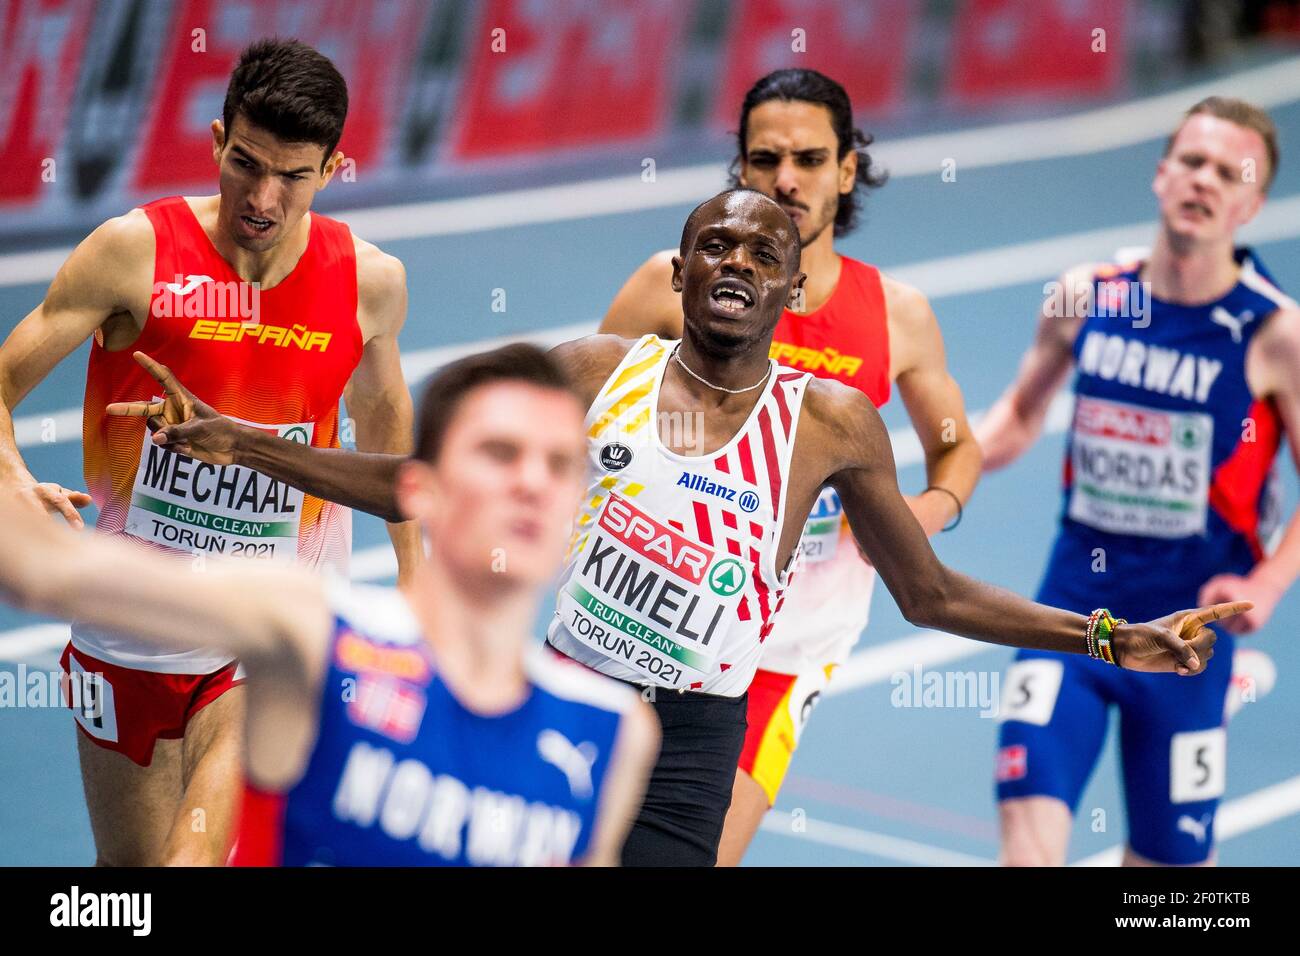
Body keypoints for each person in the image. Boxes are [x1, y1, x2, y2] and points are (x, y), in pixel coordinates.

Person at [115, 188, 1246, 867]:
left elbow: (930, 594)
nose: (735, 267)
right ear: (681, 264)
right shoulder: (593, 369)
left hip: (692, 741)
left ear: (793, 288)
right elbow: (423, 476)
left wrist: (1109, 635)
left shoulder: (830, 423)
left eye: (763, 255)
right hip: (564, 694)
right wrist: (247, 441)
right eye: (714, 245)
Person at [0, 37, 420, 866]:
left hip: (268, 626)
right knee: (129, 878)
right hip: (128, 626)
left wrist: (413, 574)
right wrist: (12, 479)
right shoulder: (133, 251)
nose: (262, 197)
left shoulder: (369, 281)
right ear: (216, 140)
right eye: (245, 163)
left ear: (333, 170)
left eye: (292, 175)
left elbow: (384, 417)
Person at [0, 345, 658, 867]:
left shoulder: (612, 729)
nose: (531, 482)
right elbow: (41, 570)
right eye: (499, 453)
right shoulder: (315, 631)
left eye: (560, 464)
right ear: (420, 490)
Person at [599, 68, 981, 864]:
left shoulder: (896, 316)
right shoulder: (670, 287)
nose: (785, 179)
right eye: (765, 158)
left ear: (847, 169)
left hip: (781, 653)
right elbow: (583, 425)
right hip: (644, 620)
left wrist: (929, 508)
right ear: (739, 167)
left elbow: (955, 445)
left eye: (810, 159)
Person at [977, 97, 1300, 866]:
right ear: (1160, 175)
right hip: (1070, 621)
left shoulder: (1276, 334)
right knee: (1028, 838)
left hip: (1187, 642)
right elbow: (1017, 418)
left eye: (1230, 173)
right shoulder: (1088, 293)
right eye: (1192, 161)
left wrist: (1270, 581)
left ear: (1252, 204)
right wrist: (923, 488)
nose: (1205, 181)